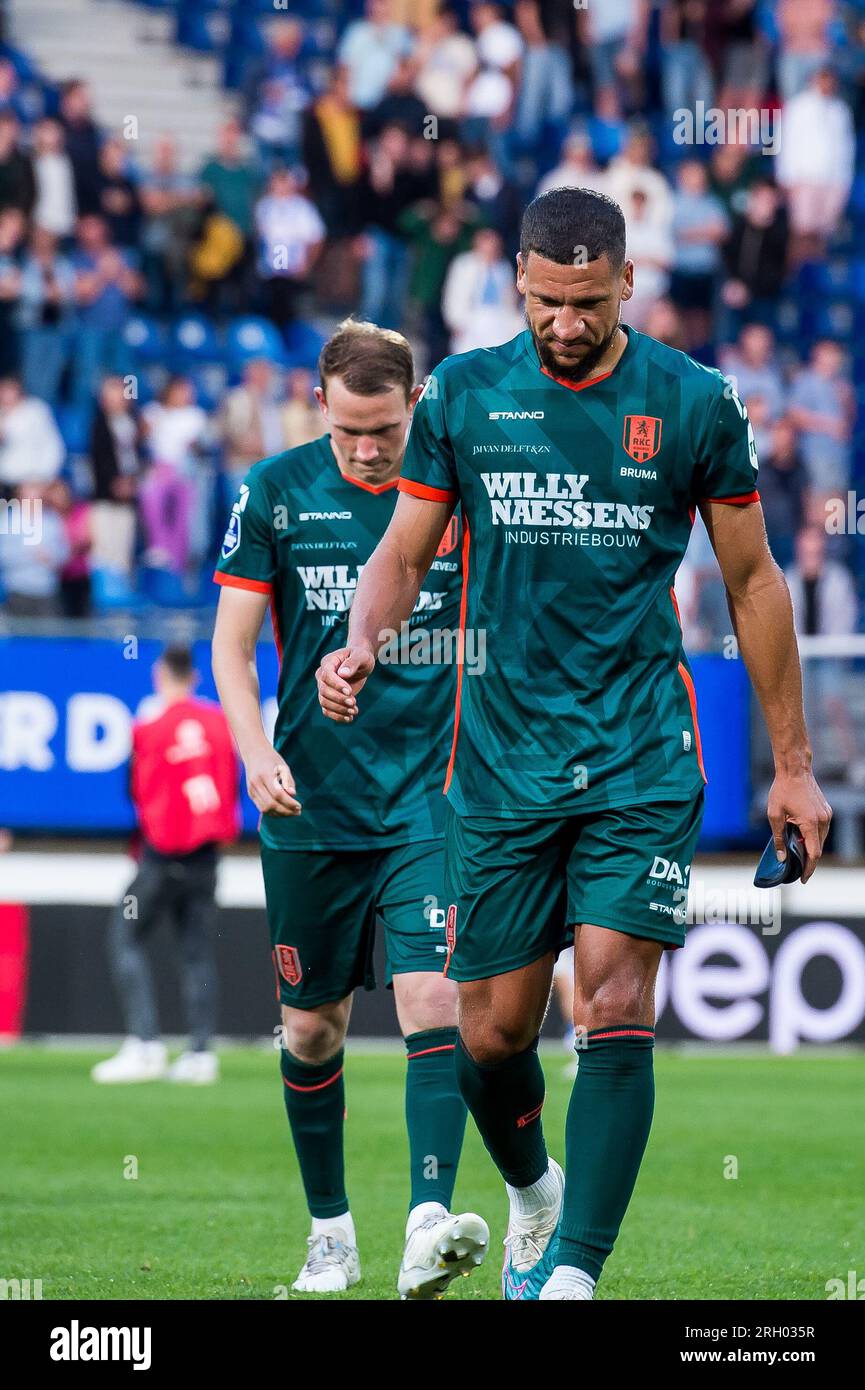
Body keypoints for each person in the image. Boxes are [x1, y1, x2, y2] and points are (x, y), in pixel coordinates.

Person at [315, 187, 832, 1301]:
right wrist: (360, 641)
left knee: (612, 999)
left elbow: (752, 580)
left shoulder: (693, 402)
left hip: (640, 751)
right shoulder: (462, 393)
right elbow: (404, 555)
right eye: (547, 301)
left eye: (587, 302)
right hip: (500, 762)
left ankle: (571, 1276)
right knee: (491, 1035)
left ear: (628, 284)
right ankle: (535, 1190)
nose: (564, 322)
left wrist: (791, 765)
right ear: (517, 282)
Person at [211, 319, 488, 1299]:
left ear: (414, 404)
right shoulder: (276, 491)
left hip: (431, 794)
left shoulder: (458, 491)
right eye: (347, 432)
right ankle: (331, 1231)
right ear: (317, 405)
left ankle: (426, 1222)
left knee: (431, 999)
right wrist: (255, 753)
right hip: (310, 803)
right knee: (312, 1029)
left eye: (383, 429)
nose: (367, 450)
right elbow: (232, 648)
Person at [92, 645, 240, 1085]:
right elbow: (230, 783)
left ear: (161, 675)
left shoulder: (150, 726)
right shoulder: (218, 722)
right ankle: (199, 1053)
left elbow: (137, 790)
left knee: (125, 935)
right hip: (207, 857)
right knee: (196, 951)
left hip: (164, 855)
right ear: (194, 677)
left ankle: (145, 1043)